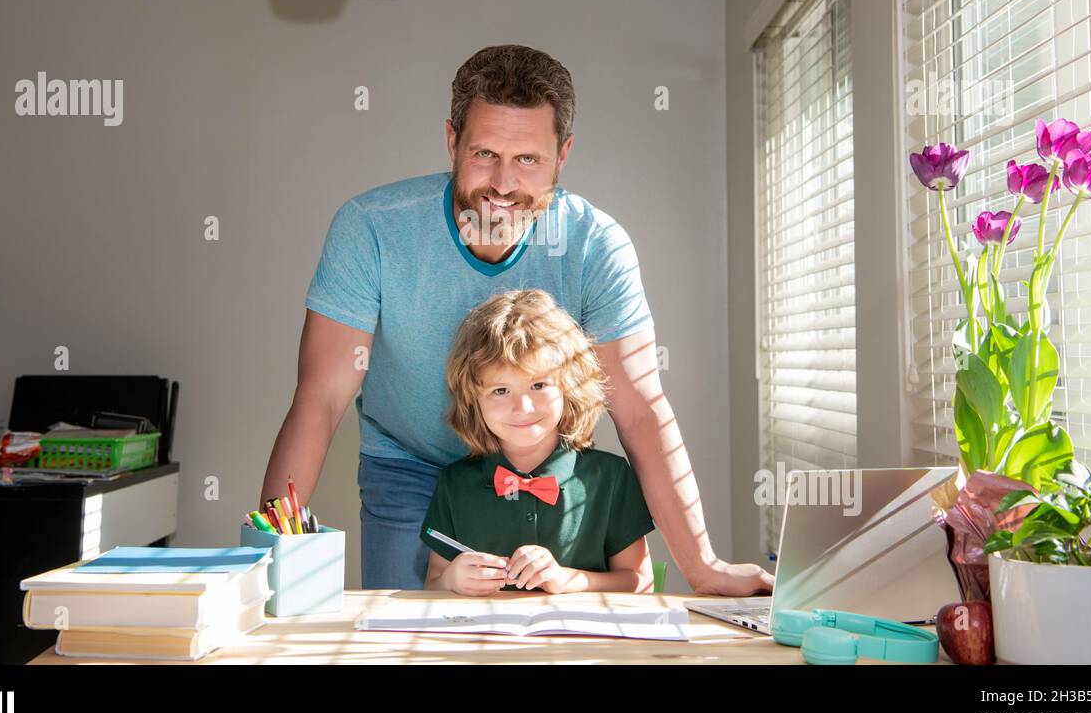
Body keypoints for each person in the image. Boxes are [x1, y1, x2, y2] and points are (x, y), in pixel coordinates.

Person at [261, 43, 773, 597]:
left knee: (546, 633)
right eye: (485, 154)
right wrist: (263, 557)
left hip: (541, 464)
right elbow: (320, 396)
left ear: (563, 153)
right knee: (405, 631)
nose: (503, 184)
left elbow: (640, 408)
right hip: (410, 464)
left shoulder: (594, 245)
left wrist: (702, 567)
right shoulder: (371, 228)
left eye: (528, 159)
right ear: (452, 140)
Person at [422, 290, 653, 595]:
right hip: (484, 639)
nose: (524, 407)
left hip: (582, 641)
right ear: (472, 400)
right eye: (501, 390)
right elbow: (432, 585)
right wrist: (452, 580)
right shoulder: (454, 484)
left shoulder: (610, 478)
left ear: (569, 385)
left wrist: (567, 580)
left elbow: (640, 583)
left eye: (539, 385)